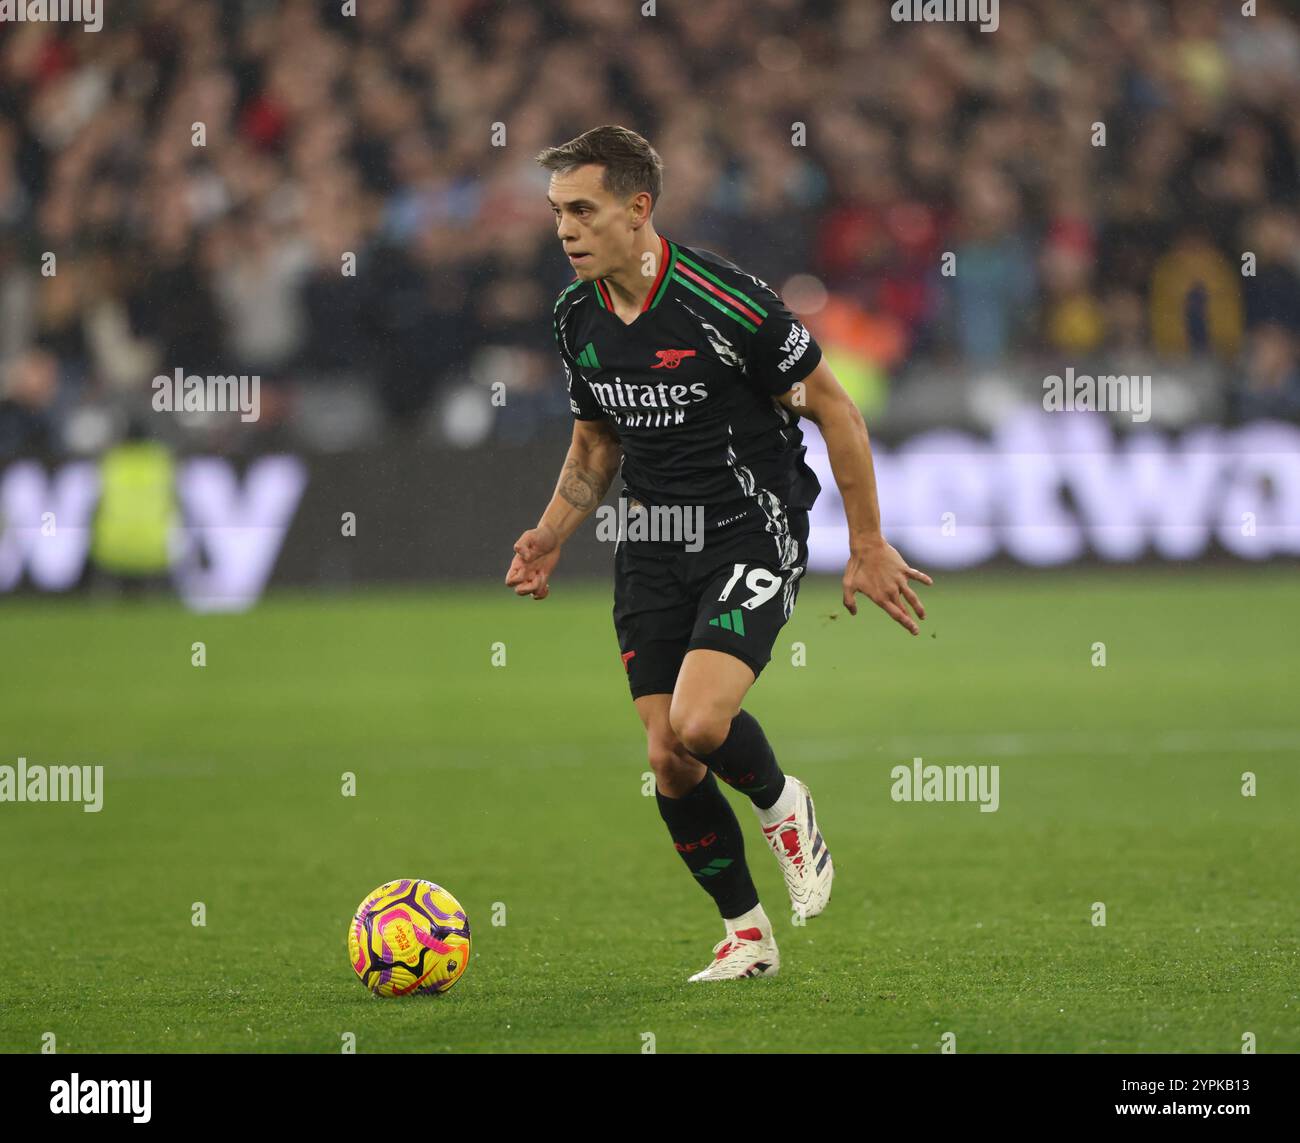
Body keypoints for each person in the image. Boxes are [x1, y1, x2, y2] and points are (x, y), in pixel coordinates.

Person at [505, 126, 931, 982]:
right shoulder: (574, 315)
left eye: (582, 210)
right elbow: (596, 443)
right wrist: (550, 534)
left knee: (703, 722)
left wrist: (869, 541)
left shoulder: (727, 301)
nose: (565, 230)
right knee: (668, 756)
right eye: (557, 213)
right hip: (652, 542)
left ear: (638, 208)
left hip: (749, 526)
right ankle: (746, 934)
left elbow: (837, 411)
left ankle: (782, 802)